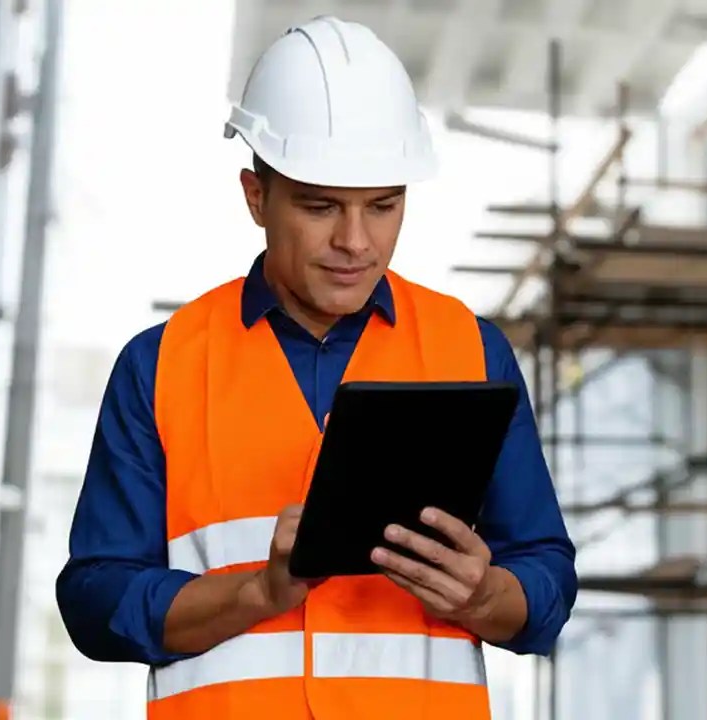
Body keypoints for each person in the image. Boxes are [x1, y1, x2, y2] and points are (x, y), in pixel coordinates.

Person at [55, 15, 576, 720]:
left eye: (383, 206)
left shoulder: (472, 351)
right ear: (256, 196)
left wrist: (483, 596)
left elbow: (547, 580)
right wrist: (256, 593)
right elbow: (94, 601)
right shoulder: (162, 366)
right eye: (321, 206)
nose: (355, 241)